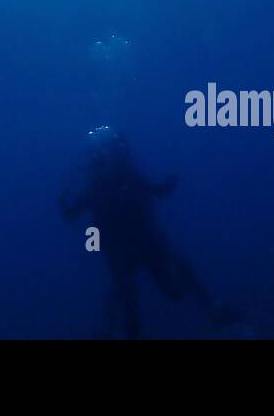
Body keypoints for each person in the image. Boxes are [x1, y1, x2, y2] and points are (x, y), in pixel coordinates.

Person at [59, 126, 237, 339]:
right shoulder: (112, 180)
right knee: (137, 301)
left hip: (140, 247)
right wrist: (168, 185)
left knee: (154, 296)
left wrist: (63, 202)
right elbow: (158, 191)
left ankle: (211, 308)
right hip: (133, 249)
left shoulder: (119, 177)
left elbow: (72, 215)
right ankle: (211, 308)